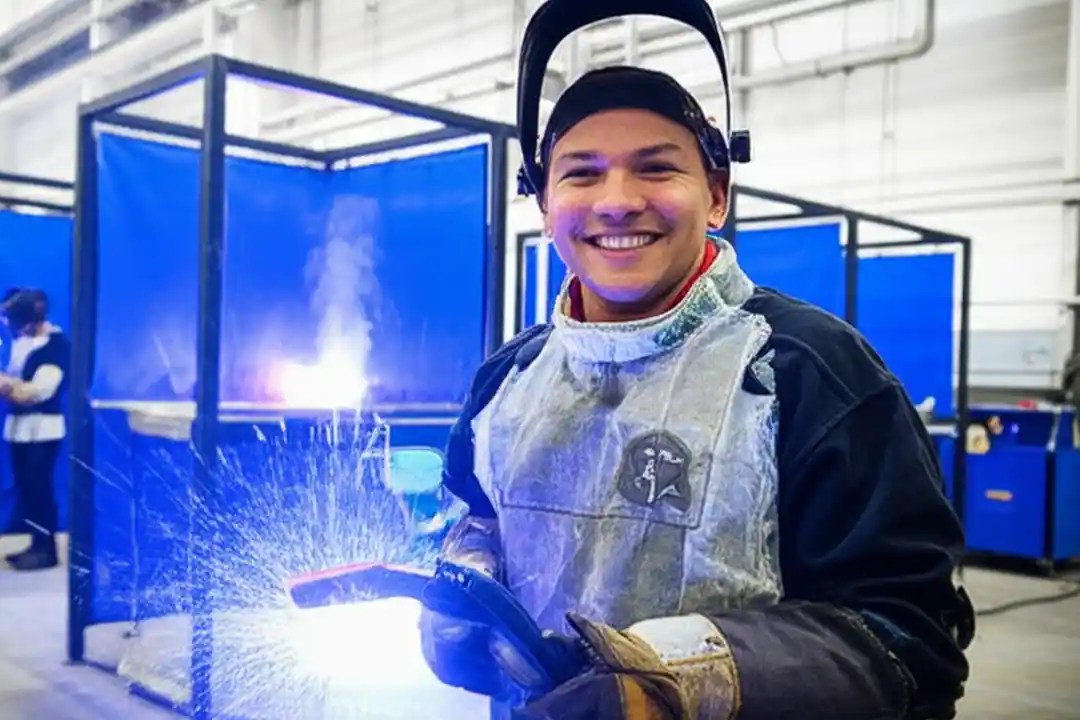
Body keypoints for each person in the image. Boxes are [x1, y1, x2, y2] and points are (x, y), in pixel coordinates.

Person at [418, 1, 975, 719]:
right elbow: (477, 519)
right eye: (581, 174)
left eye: (656, 168)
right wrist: (467, 579)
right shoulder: (509, 381)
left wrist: (677, 681)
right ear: (543, 201)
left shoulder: (809, 374)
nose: (616, 202)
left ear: (716, 194)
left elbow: (911, 638)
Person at [0, 288, 67, 571]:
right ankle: (35, 543)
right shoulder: (22, 342)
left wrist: (3, 385)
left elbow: (39, 390)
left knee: (39, 487)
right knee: (26, 487)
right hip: (18, 427)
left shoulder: (56, 345)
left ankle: (46, 549)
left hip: (43, 429)